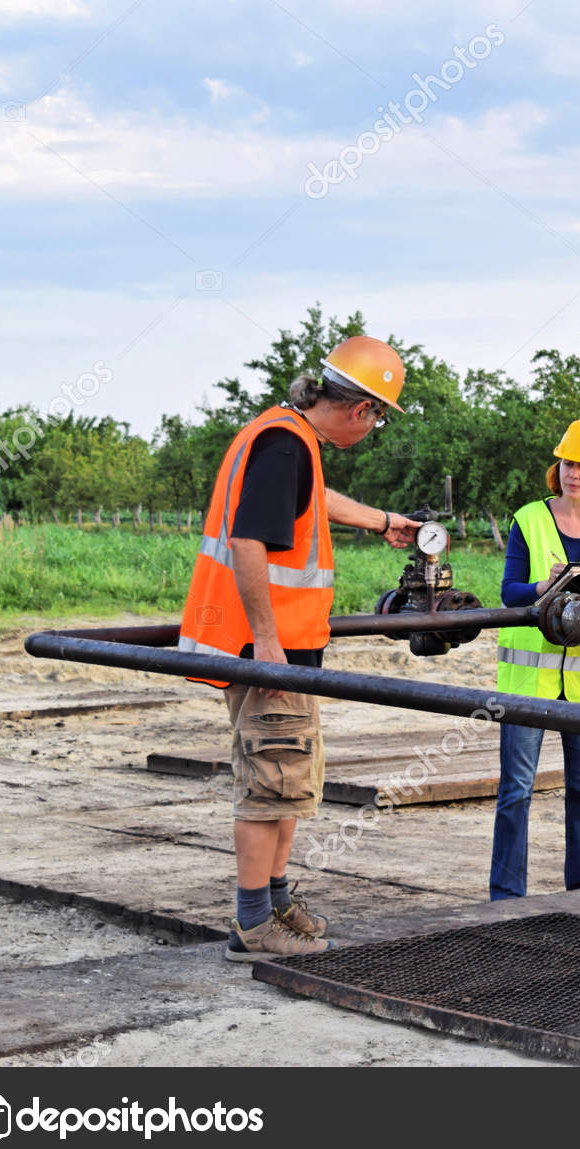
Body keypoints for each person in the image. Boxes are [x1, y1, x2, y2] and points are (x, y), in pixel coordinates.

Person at [177, 336, 421, 961]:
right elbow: (248, 544)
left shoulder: (289, 440)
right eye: (379, 419)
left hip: (286, 647)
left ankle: (276, 904)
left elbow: (311, 503)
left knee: (288, 778)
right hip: (270, 650)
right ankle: (253, 925)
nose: (373, 429)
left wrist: (382, 520)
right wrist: (267, 646)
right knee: (268, 781)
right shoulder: (284, 446)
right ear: (362, 411)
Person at [490, 416, 580, 900]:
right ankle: (506, 896)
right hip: (527, 683)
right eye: (570, 462)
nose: (575, 473)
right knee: (515, 794)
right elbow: (510, 594)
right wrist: (542, 589)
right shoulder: (528, 518)